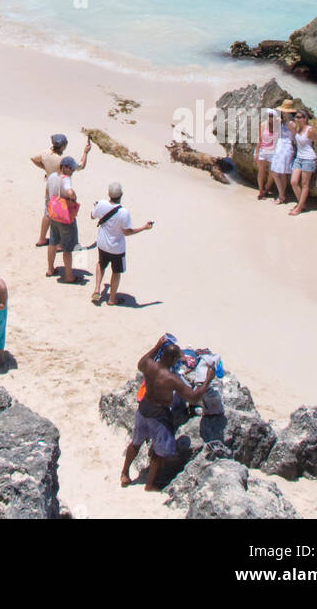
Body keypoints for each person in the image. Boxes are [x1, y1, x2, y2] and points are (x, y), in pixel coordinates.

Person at [121, 337, 215, 492]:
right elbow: (193, 397)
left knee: (135, 443)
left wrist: (158, 345)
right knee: (159, 452)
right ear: (171, 359)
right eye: (177, 358)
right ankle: (150, 484)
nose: (178, 361)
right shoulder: (172, 379)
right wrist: (207, 381)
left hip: (143, 410)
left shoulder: (149, 365)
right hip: (159, 417)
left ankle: (125, 473)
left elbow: (140, 363)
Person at [90, 182, 153, 306]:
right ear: (121, 195)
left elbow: (92, 216)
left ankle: (97, 289)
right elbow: (127, 232)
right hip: (117, 248)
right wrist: (143, 228)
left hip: (102, 244)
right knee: (116, 272)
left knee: (101, 264)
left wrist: (97, 207)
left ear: (108, 194)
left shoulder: (101, 204)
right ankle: (112, 299)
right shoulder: (124, 212)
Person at [31, 133, 91, 246]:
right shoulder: (63, 160)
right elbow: (81, 166)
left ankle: (42, 239)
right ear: (63, 146)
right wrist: (85, 152)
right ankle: (60, 244)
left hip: (50, 184)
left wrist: (45, 168)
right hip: (61, 188)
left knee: (47, 212)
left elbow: (33, 159)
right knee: (61, 214)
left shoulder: (45, 153)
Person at [46, 157, 82, 283]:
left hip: (54, 213)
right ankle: (69, 276)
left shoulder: (52, 176)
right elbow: (69, 191)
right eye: (71, 168)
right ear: (65, 168)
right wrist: (74, 198)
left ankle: (50, 269)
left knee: (52, 241)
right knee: (67, 247)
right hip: (64, 215)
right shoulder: (66, 179)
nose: (72, 171)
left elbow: (47, 191)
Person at [289, 109, 317, 216]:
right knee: (293, 182)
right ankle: (301, 204)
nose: (296, 119)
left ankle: (299, 207)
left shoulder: (310, 130)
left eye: (299, 117)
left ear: (305, 118)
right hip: (298, 158)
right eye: (296, 117)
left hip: (308, 159)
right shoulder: (298, 129)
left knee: (304, 184)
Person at [269, 99, 298, 204]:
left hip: (286, 147)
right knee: (280, 173)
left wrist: (295, 150)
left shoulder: (291, 123)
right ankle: (282, 195)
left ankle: (281, 196)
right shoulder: (283, 121)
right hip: (280, 146)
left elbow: (295, 138)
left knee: (278, 172)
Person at [254, 107, 277, 200]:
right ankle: (260, 191)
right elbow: (258, 139)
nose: (270, 118)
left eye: (272, 116)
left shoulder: (277, 126)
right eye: (269, 116)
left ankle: (266, 190)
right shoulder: (263, 125)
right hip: (263, 151)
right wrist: (256, 153)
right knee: (261, 172)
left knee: (272, 173)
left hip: (273, 152)